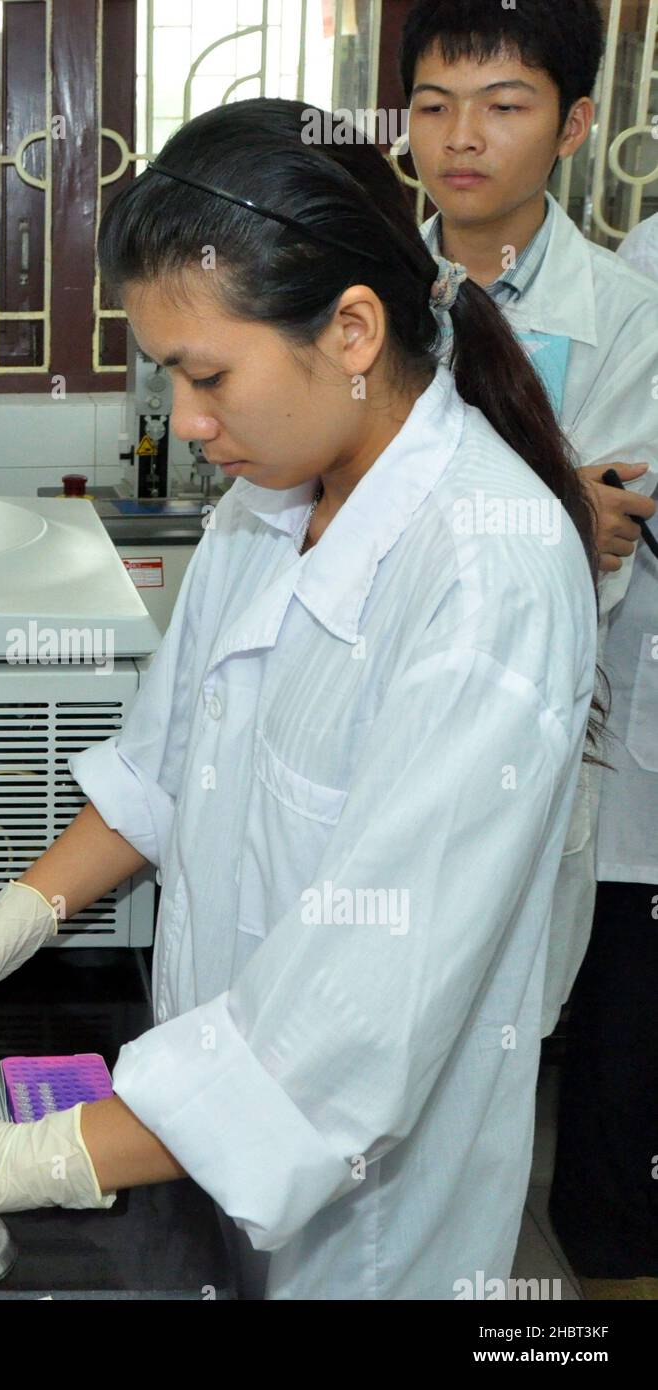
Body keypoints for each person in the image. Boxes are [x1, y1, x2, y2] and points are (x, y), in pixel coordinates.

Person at [0, 97, 600, 1299]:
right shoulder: (265, 506)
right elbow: (162, 773)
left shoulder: (487, 579)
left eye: (206, 373)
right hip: (193, 1146)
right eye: (167, 374)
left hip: (362, 1231)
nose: (187, 422)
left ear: (354, 329)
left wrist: (23, 1157)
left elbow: (346, 1037)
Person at [398, 0, 658, 1034]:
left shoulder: (624, 314)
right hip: (375, 721)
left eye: (502, 106)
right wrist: (549, 497)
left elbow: (594, 552)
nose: (460, 138)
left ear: (574, 123)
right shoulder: (352, 292)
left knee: (491, 1053)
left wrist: (405, 510)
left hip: (526, 732)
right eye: (432, 105)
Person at [547, 212, 658, 1298]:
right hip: (631, 738)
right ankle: (610, 1258)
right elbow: (616, 503)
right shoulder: (645, 270)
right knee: (628, 1022)